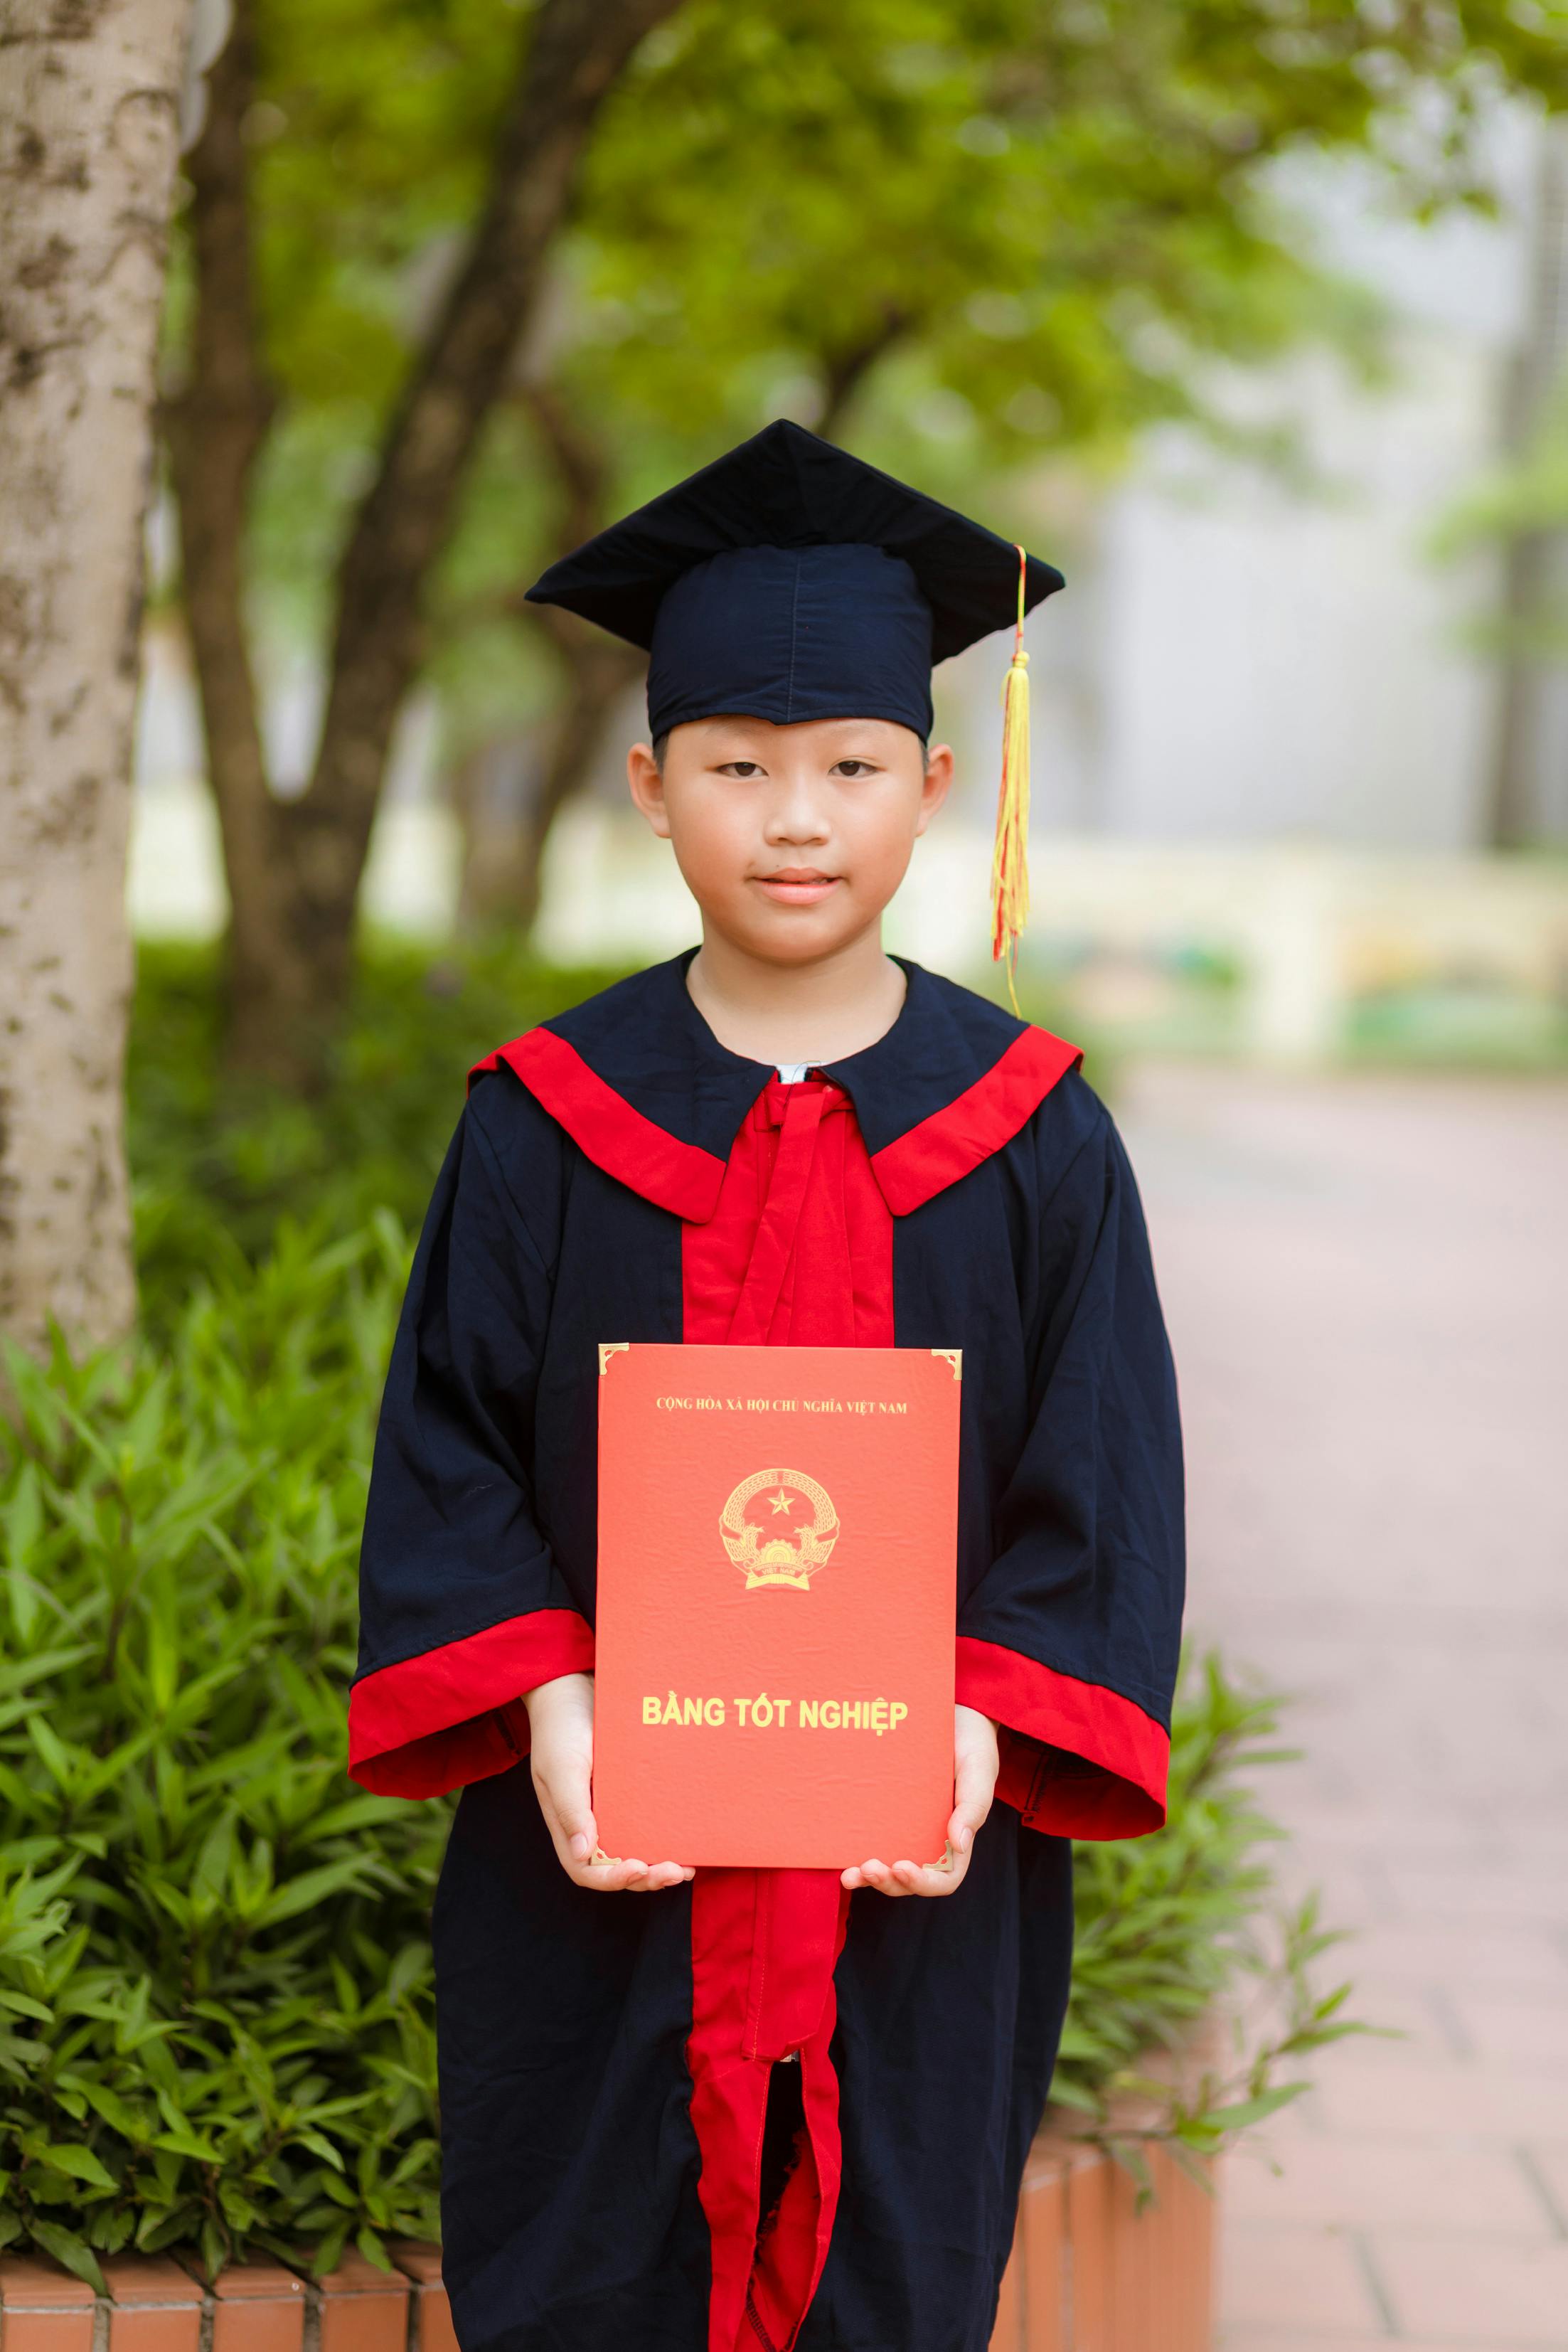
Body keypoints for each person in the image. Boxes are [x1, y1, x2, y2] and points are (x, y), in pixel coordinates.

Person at [349, 420, 1184, 2352]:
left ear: (937, 788)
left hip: (921, 1882)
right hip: (599, 1864)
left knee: (891, 2278)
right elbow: (452, 1450)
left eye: (851, 768)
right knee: (586, 2272)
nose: (795, 819)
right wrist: (550, 1706)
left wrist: (978, 1736)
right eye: (737, 766)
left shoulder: (1038, 1140)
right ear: (651, 788)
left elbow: (1100, 1487)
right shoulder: (546, 1123)